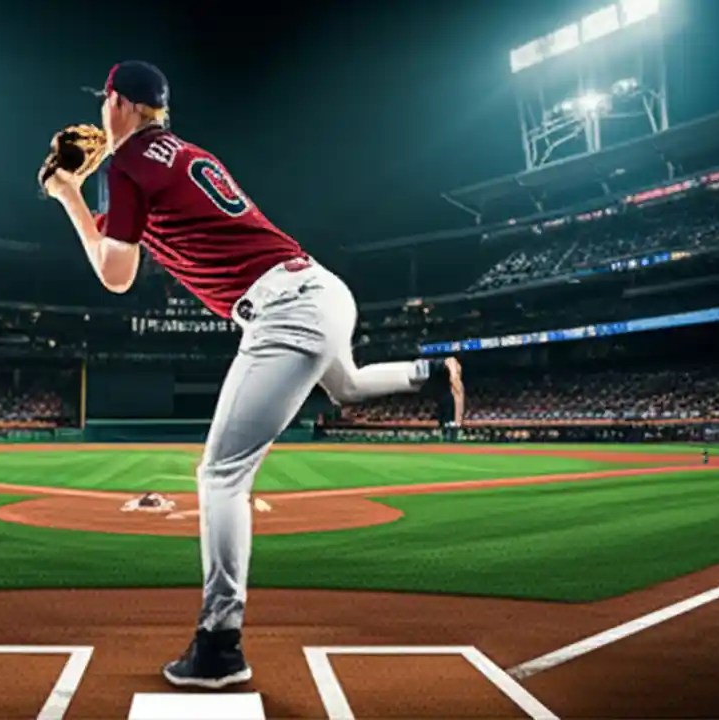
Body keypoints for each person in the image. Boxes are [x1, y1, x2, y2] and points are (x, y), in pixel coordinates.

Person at [42, 60, 465, 689]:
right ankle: (428, 374)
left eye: (106, 101)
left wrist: (68, 193)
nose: (102, 113)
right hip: (320, 288)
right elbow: (130, 238)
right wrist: (95, 189)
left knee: (220, 474)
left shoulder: (129, 163)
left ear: (122, 104)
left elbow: (115, 274)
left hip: (286, 310)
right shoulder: (183, 152)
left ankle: (219, 643)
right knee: (343, 385)